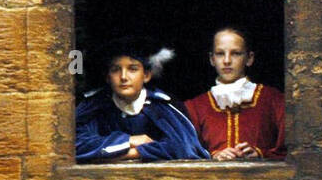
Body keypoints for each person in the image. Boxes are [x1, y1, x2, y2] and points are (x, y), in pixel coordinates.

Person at [75, 38, 209, 163]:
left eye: (132, 69)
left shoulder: (162, 107)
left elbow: (183, 147)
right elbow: (77, 145)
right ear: (107, 77)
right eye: (116, 70)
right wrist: (130, 141)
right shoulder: (94, 107)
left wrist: (134, 153)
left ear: (146, 75)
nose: (123, 77)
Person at [183, 26, 286, 160]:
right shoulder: (194, 107)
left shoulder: (273, 100)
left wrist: (260, 154)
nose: (227, 61)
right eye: (220, 54)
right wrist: (214, 155)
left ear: (249, 58)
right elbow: (186, 151)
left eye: (236, 53)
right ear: (212, 59)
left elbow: (290, 151)